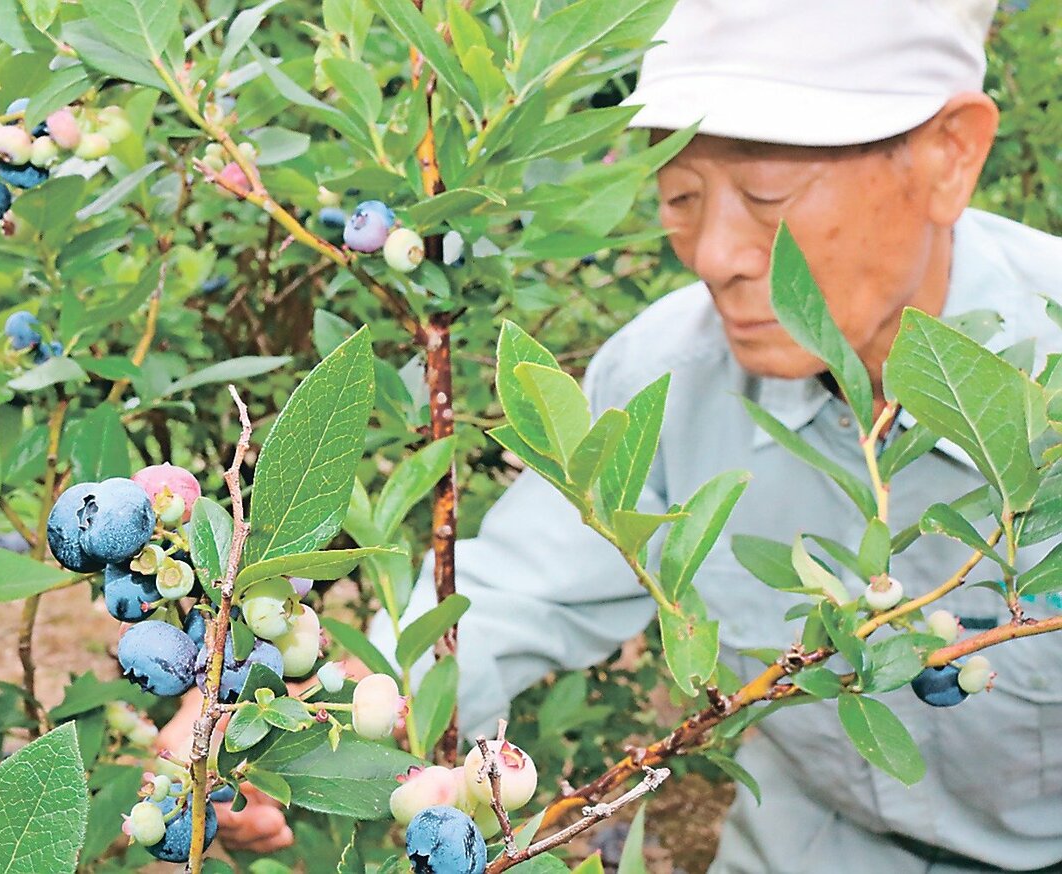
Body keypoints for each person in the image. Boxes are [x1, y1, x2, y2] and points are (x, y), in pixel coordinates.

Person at [362, 0, 1062, 871]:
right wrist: (330, 707)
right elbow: (516, 591)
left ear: (948, 154)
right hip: (809, 841)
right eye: (680, 196)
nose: (714, 254)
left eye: (767, 196)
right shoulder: (668, 374)